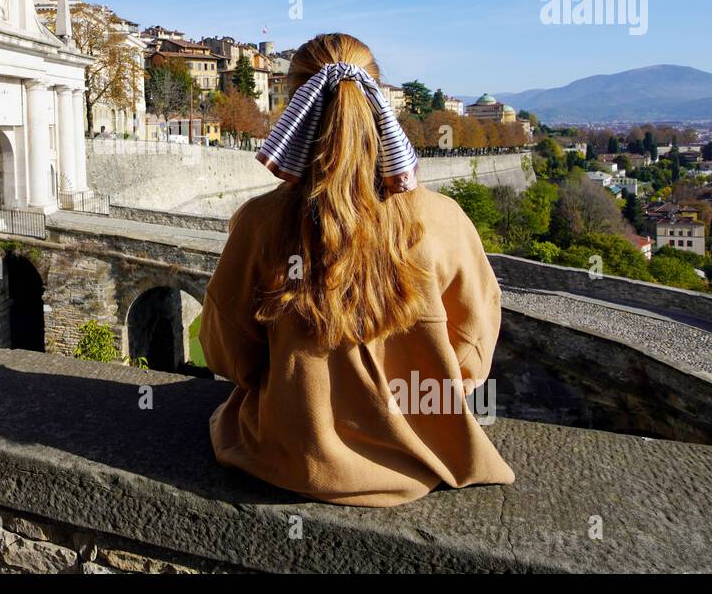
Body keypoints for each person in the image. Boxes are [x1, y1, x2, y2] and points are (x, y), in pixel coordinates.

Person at [199, 33, 515, 506]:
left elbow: (227, 354)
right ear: (377, 99)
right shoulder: (445, 218)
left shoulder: (260, 222)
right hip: (423, 454)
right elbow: (472, 350)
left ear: (294, 104)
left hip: (287, 456)